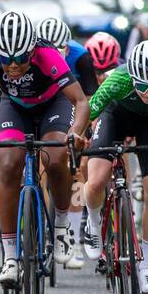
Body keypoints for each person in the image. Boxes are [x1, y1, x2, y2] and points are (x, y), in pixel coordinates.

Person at [0, 11, 89, 287]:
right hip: (16, 107)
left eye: (20, 59)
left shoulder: (47, 54)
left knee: (58, 157)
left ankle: (60, 226)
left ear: (31, 50)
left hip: (52, 106)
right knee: (9, 164)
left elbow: (81, 102)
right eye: (6, 59)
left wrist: (75, 133)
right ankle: (10, 258)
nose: (12, 66)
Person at [81, 40, 148, 294]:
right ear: (132, 77)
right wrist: (84, 139)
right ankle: (93, 225)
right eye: (142, 86)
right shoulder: (117, 79)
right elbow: (90, 114)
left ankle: (147, 266)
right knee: (95, 182)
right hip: (114, 117)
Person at [36, 16, 98, 268]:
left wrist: (87, 131)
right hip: (41, 107)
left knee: (76, 171)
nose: (56, 54)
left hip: (72, 108)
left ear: (67, 47)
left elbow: (91, 98)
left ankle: (71, 237)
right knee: (40, 169)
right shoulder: (35, 57)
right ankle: (41, 230)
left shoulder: (80, 55)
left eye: (60, 49)